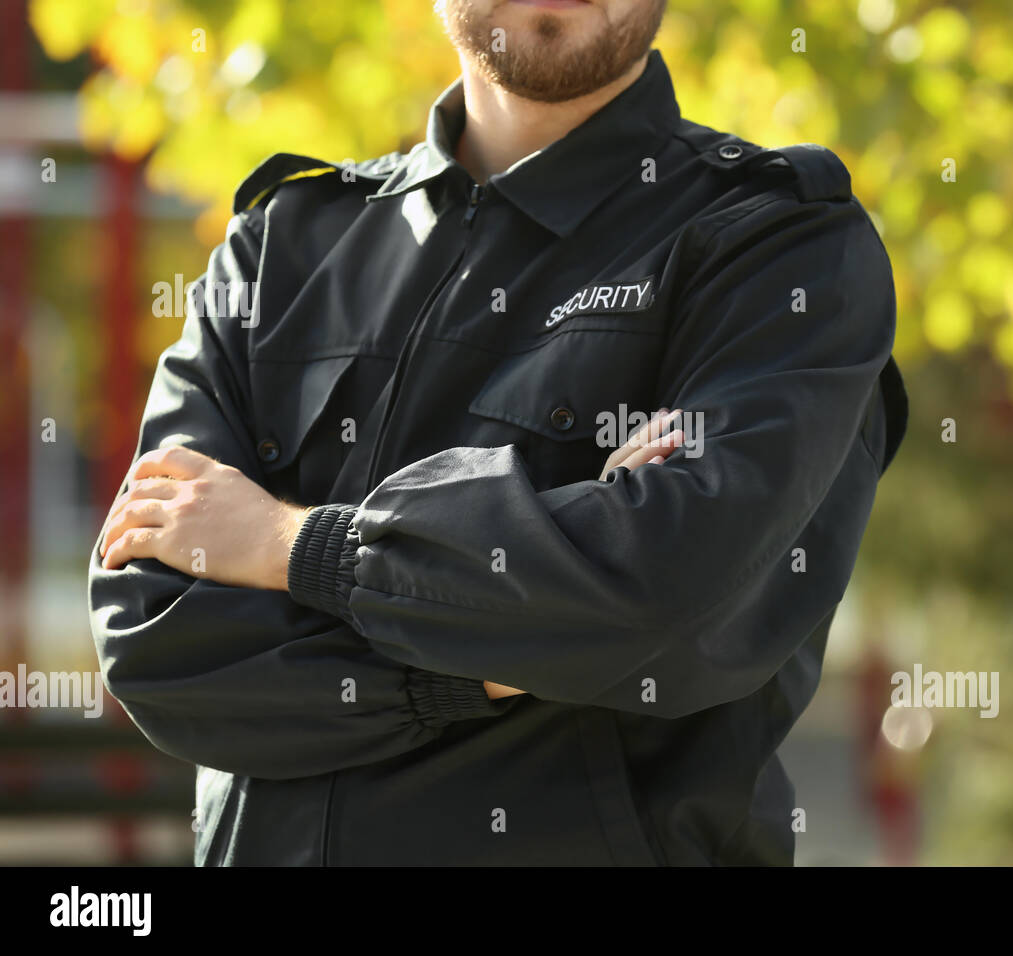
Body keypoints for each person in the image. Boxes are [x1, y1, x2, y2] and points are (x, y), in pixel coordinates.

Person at [90, 0, 907, 865]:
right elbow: (158, 641)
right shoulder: (277, 249)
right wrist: (507, 652)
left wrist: (293, 542)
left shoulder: (778, 248)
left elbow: (673, 594)